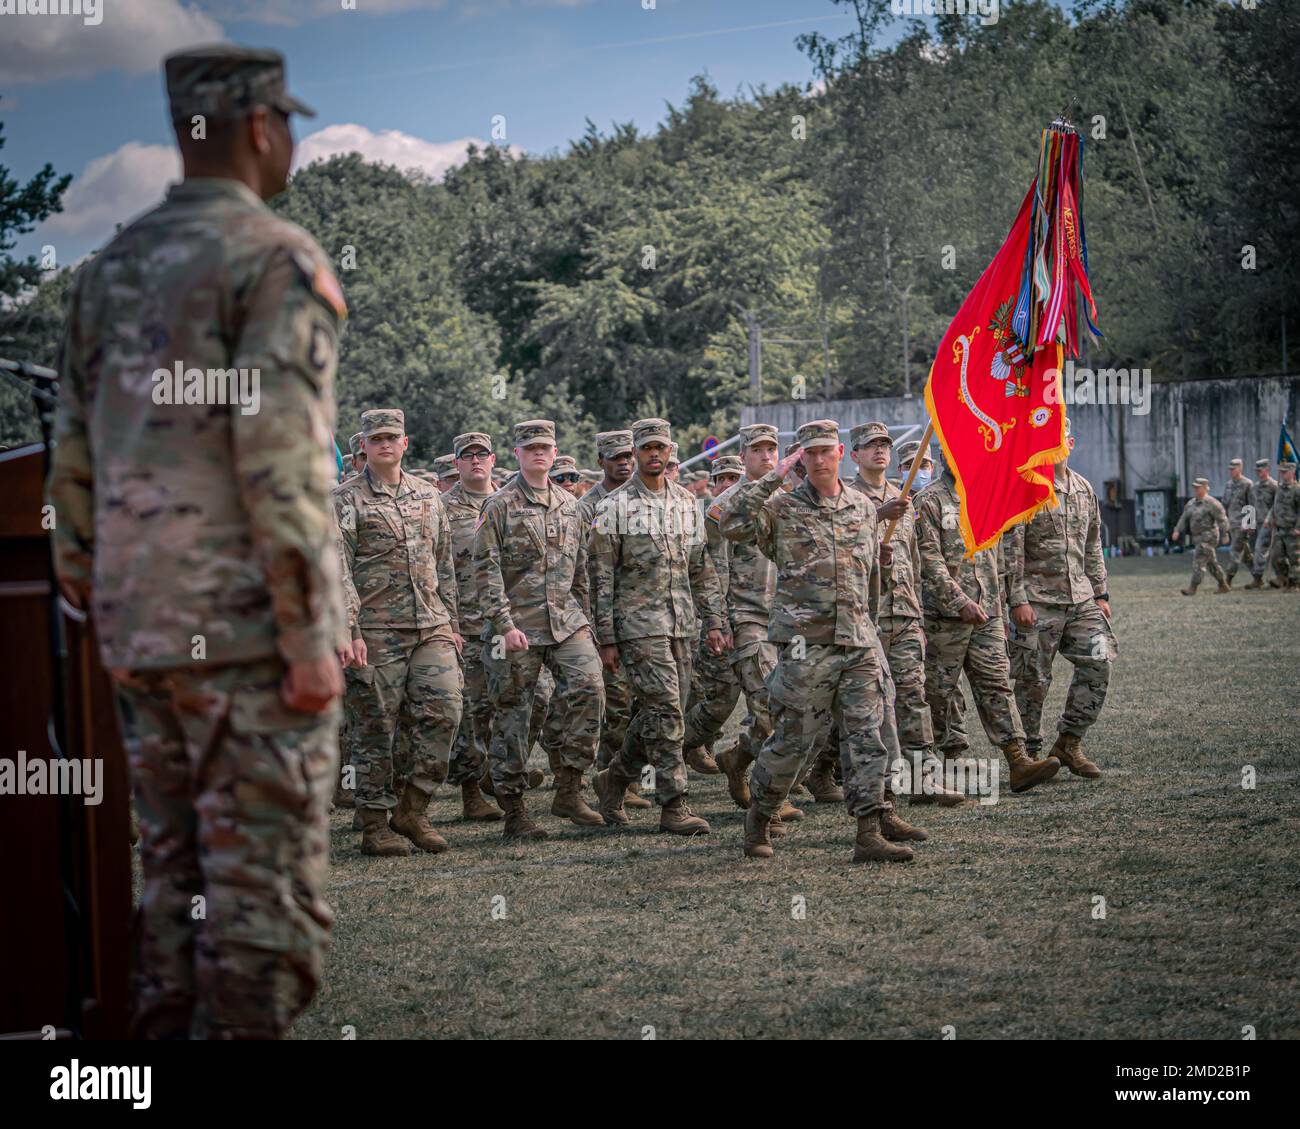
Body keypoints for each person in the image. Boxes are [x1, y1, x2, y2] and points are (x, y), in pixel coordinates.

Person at [47, 45, 345, 1039]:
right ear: (262, 128)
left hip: (142, 638)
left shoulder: (106, 272)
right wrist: (309, 633)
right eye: (287, 124)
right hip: (249, 640)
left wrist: (98, 594)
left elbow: (71, 466)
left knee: (174, 892)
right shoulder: (272, 259)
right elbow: (282, 460)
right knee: (259, 914)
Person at [719, 420, 922, 863]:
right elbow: (730, 522)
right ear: (800, 458)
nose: (818, 459)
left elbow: (871, 580)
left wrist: (883, 566)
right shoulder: (781, 507)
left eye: (825, 450)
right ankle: (760, 816)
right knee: (794, 740)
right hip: (804, 645)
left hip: (858, 639)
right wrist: (775, 475)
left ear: (840, 454)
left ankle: (869, 829)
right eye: (808, 453)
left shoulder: (862, 508)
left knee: (869, 737)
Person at [335, 409, 464, 857]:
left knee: (445, 710)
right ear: (365, 447)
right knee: (375, 727)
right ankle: (374, 824)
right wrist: (349, 629)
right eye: (377, 439)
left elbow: (443, 564)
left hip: (431, 625)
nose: (385, 444)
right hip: (373, 631)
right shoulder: (344, 500)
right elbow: (338, 571)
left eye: (393, 437)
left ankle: (413, 808)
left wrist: (451, 620)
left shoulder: (429, 496)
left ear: (406, 443)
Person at [589, 419, 725, 834]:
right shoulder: (614, 507)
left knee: (666, 711)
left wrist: (715, 620)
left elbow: (701, 568)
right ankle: (674, 804)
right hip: (637, 625)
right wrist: (607, 638)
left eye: (659, 447)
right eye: (645, 447)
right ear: (635, 451)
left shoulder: (686, 503)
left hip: (682, 622)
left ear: (670, 451)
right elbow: (601, 577)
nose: (653, 454)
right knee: (665, 709)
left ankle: (613, 779)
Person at [474, 421, 605, 837]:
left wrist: (587, 621)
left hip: (566, 622)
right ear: (517, 453)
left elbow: (580, 568)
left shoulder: (572, 505)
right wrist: (504, 624)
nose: (538, 454)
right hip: (517, 626)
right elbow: (485, 570)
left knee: (590, 689)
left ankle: (569, 788)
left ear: (555, 451)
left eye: (545, 447)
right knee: (515, 714)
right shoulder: (499, 505)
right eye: (530, 448)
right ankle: (514, 810)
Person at [914, 452, 1059, 793]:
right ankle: (925, 771)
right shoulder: (929, 500)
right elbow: (928, 559)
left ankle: (1018, 759)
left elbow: (1007, 552)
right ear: (943, 456)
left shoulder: (988, 497)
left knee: (996, 685)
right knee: (936, 692)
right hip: (944, 616)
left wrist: (1011, 597)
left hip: (988, 611)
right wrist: (958, 600)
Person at [847, 422, 962, 806]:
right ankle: (866, 783)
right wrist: (879, 515)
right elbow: (841, 551)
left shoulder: (904, 500)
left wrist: (917, 616)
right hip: (867, 618)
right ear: (854, 455)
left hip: (905, 615)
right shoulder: (848, 500)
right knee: (872, 705)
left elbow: (912, 563)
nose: (879, 451)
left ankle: (923, 780)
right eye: (870, 446)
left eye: (884, 445)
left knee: (914, 697)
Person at [1005, 421, 1115, 778]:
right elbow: (1012, 548)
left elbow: (1093, 543)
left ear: (1070, 442)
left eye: (1060, 439)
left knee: (1100, 660)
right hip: (1037, 600)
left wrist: (1100, 592)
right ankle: (1030, 754)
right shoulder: (1027, 487)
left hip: (1081, 597)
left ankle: (1068, 742)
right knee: (1033, 679)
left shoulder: (1083, 488)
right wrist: (1017, 598)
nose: (1054, 445)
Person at [575, 430, 649, 809]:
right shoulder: (588, 507)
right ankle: (612, 776)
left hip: (642, 617)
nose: (623, 462)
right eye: (615, 457)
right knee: (617, 703)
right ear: (600, 460)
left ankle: (621, 776)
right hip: (604, 617)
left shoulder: (642, 499)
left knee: (644, 701)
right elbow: (583, 569)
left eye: (627, 456)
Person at [441, 431, 504, 821]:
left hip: (509, 623)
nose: (476, 461)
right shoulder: (442, 509)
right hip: (465, 623)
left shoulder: (509, 503)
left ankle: (495, 773)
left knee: (533, 700)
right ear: (457, 464)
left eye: (482, 454)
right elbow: (435, 569)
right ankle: (471, 791)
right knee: (472, 710)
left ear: (494, 459)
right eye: (468, 456)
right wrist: (447, 622)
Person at [679, 455, 744, 776]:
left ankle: (695, 744)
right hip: (710, 618)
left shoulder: (753, 515)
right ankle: (687, 745)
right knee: (708, 690)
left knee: (732, 693)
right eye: (723, 479)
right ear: (714, 484)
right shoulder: (706, 515)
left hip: (747, 618)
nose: (728, 485)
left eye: (735, 478)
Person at [1171, 478, 1230, 595]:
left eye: (1198, 487)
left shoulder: (1213, 503)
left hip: (1209, 536)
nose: (1195, 489)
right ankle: (1223, 584)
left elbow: (1222, 520)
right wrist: (1177, 530)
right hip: (1197, 537)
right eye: (1195, 487)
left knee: (1199, 559)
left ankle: (1192, 587)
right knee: (1211, 562)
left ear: (1204, 488)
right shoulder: (1191, 503)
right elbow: (1184, 518)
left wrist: (1225, 534)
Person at [1244, 459, 1278, 589]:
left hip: (1270, 524)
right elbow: (1251, 506)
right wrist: (1249, 524)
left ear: (1267, 470)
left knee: (1261, 549)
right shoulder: (1255, 487)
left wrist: (1272, 519)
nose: (1259, 473)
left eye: (1261, 470)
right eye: (1257, 471)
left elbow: (1277, 506)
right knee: (1266, 551)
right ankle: (1281, 577)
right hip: (1258, 523)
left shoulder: (1274, 486)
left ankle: (1258, 577)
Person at [1266, 461, 1299, 588]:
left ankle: (1295, 583)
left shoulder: (1297, 490)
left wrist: (1298, 528)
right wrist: (1272, 519)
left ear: (1292, 472)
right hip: (1280, 529)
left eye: (1284, 472)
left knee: (1294, 558)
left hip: (1292, 530)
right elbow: (1275, 506)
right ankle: (1283, 577)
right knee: (1276, 556)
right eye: (1281, 472)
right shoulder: (1279, 489)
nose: (1282, 474)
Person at [1222, 458, 1254, 587]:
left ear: (1240, 469)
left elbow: (1251, 505)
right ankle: (1257, 576)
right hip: (1231, 524)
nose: (1231, 471)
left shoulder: (1247, 484)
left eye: (1233, 469)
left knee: (1235, 551)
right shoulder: (1228, 485)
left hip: (1242, 525)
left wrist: (1248, 524)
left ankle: (1227, 580)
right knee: (1245, 554)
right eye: (1230, 469)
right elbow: (1225, 504)